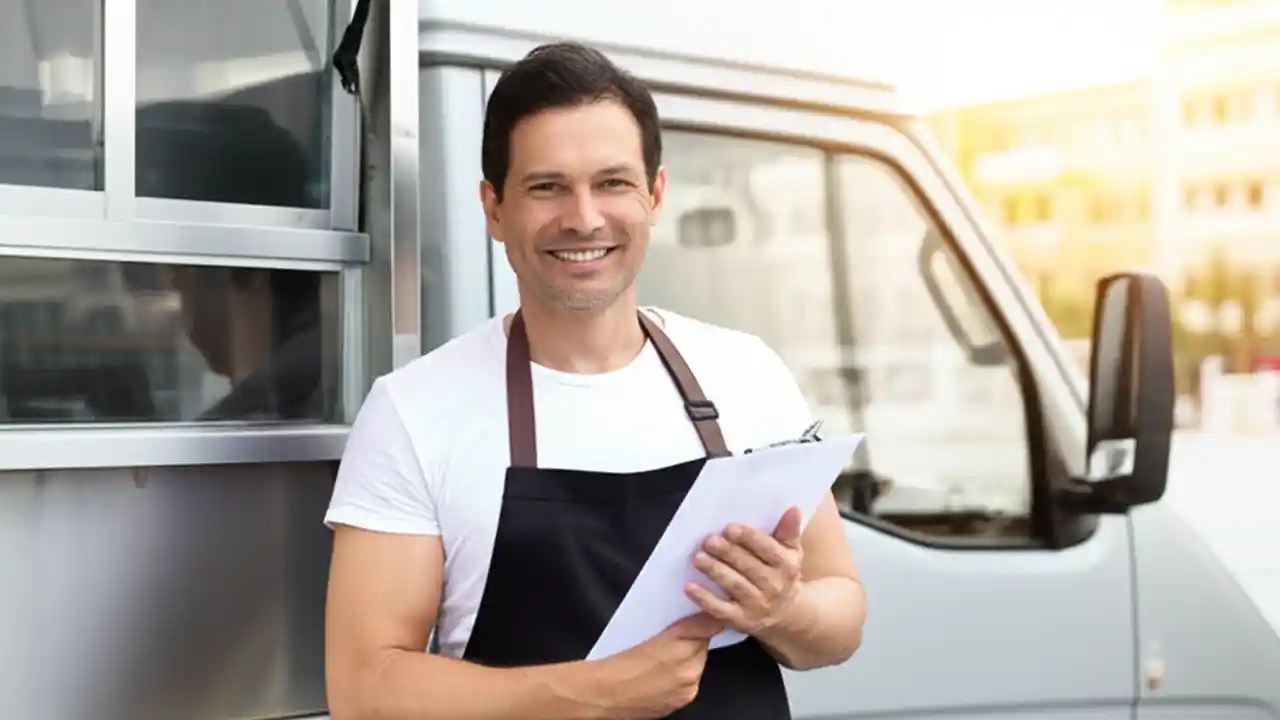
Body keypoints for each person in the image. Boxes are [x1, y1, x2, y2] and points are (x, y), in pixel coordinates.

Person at [323, 41, 867, 719]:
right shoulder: (413, 411)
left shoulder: (745, 372)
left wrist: (783, 607)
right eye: (547, 186)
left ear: (655, 194)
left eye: (612, 183)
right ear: (493, 208)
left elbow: (839, 619)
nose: (583, 218)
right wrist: (595, 694)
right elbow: (364, 690)